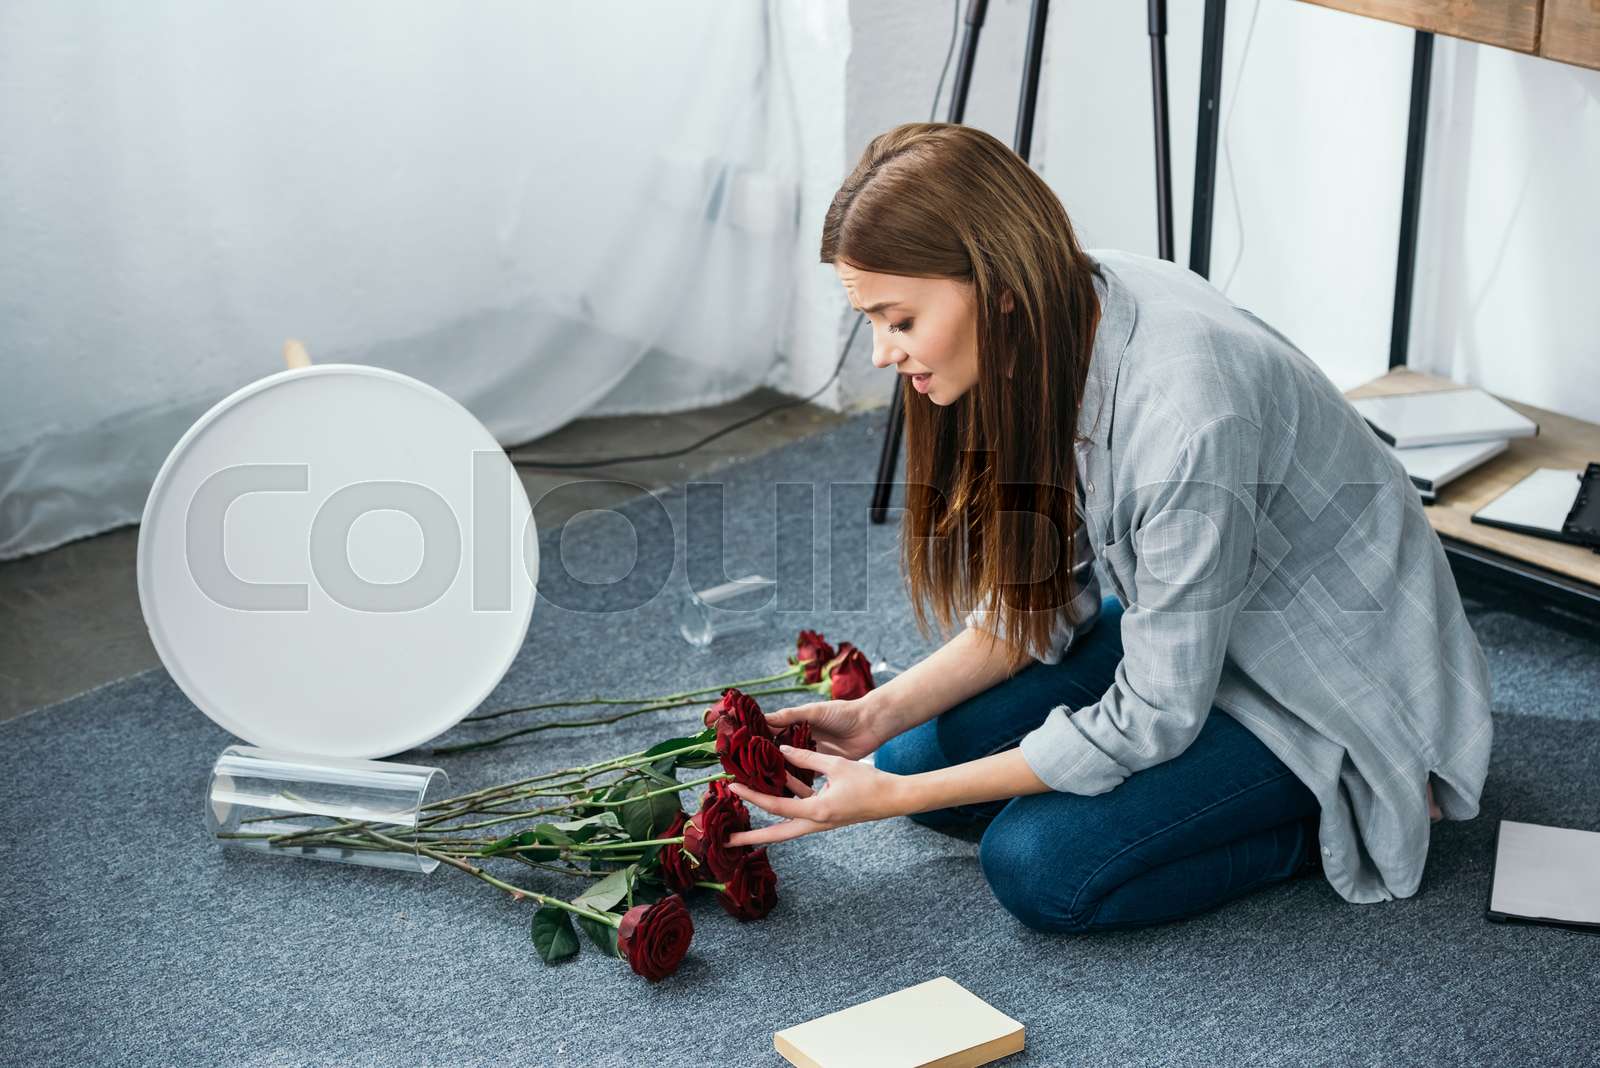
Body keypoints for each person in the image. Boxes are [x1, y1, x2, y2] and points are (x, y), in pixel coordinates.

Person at [724, 122, 1493, 933]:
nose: (883, 354)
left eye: (901, 320)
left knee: (1037, 865)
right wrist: (877, 716)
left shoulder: (1185, 416)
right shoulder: (1060, 312)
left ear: (996, 287)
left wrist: (893, 798)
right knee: (918, 748)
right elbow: (1050, 587)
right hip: (1202, 627)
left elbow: (1154, 715)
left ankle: (1343, 813)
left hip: (1325, 691)